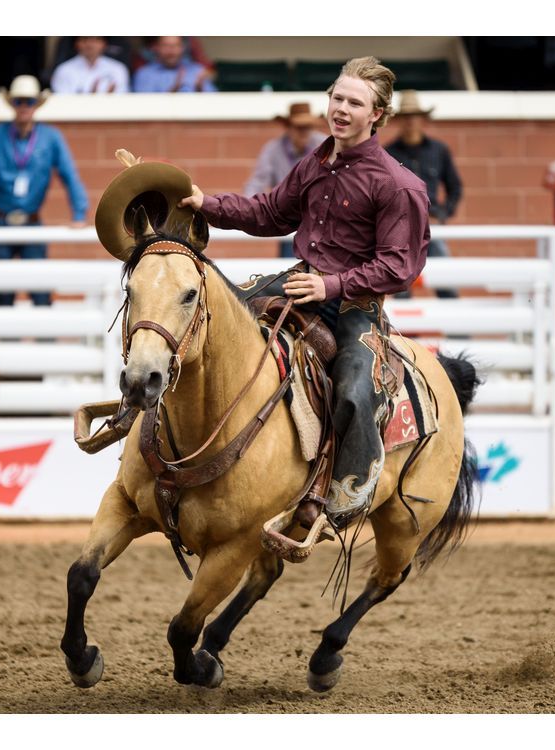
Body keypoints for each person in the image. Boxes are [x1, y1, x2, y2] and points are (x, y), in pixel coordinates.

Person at [180, 56, 430, 525]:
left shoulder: (399, 185)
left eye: (355, 103)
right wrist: (205, 203)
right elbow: (269, 213)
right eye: (337, 98)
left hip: (355, 304)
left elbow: (399, 267)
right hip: (302, 279)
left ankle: (347, 491)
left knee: (353, 389)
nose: (341, 109)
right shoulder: (315, 163)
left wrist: (330, 284)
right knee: (211, 312)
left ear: (376, 114)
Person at [0, 75, 87, 307]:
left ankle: (44, 331)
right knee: (3, 293)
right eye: (18, 101)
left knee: (40, 290)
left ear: (36, 105)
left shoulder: (51, 137)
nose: (23, 106)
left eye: (29, 101)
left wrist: (79, 215)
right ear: (12, 104)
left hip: (31, 222)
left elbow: (69, 175)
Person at [385, 90, 461, 299]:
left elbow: (455, 187)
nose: (410, 121)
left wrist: (443, 214)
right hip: (401, 228)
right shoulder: (388, 153)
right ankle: (405, 323)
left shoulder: (439, 150)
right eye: (405, 117)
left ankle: (455, 321)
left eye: (414, 116)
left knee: (445, 281)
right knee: (401, 286)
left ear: (422, 119)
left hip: (432, 224)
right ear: (398, 120)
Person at [244, 102, 326, 258]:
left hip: (321, 219)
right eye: (299, 127)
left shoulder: (325, 144)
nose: (304, 132)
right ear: (289, 128)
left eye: (308, 127)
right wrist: (248, 207)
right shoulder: (273, 150)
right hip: (290, 218)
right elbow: (257, 181)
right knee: (290, 264)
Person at [132, 37, 216, 93]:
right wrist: (172, 92)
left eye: (176, 45)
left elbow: (214, 103)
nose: (171, 51)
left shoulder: (197, 70)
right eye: (166, 46)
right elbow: (144, 107)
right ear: (156, 47)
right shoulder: (144, 74)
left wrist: (200, 92)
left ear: (183, 48)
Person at [50, 36, 130, 94]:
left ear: (104, 44)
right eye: (84, 39)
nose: (90, 44)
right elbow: (62, 103)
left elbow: (122, 98)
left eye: (95, 39)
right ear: (77, 43)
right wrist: (90, 99)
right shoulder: (63, 70)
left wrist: (108, 99)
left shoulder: (118, 68)